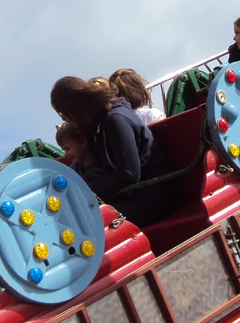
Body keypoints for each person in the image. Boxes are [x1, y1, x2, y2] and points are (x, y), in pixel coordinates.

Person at [51, 76, 174, 226]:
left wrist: (87, 191)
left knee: (91, 225)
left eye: (62, 112)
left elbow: (129, 174)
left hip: (152, 195)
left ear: (73, 106)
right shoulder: (97, 124)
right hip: (130, 195)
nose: (64, 117)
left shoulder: (116, 119)